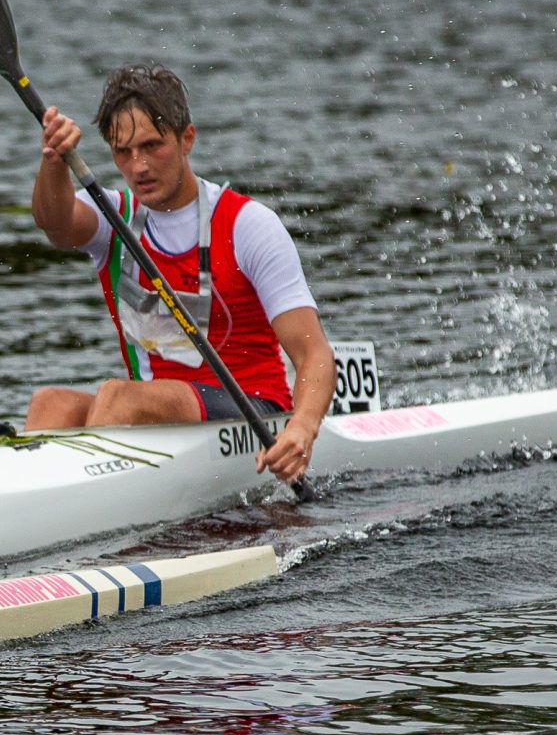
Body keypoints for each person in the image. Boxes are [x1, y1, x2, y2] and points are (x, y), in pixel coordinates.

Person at [26, 65, 333, 484]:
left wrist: (302, 429)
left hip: (253, 410)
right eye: (123, 152)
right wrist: (54, 161)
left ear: (187, 138)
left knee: (118, 397)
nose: (138, 166)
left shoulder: (248, 225)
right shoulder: (114, 219)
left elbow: (314, 353)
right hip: (151, 410)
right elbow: (55, 223)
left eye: (152, 146)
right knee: (49, 404)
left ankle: (95, 503)